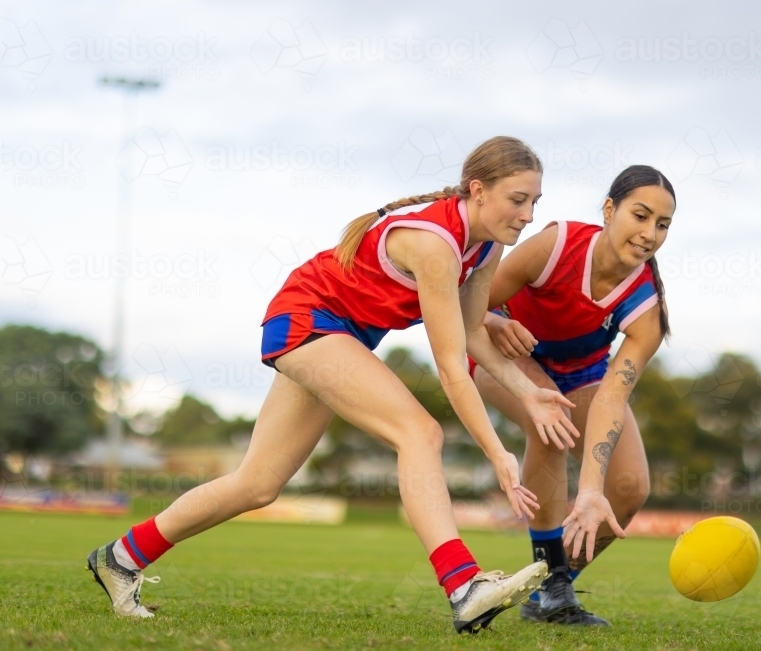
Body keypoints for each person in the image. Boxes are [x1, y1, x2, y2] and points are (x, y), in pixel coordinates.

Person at [86, 136, 582, 634]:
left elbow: (472, 330)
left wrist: (526, 391)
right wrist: (498, 452)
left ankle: (121, 557)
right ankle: (463, 585)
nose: (528, 214)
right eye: (518, 200)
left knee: (257, 485)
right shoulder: (436, 245)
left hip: (337, 335)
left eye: (535, 202)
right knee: (420, 433)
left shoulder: (487, 245)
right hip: (310, 320)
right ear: (478, 190)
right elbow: (451, 368)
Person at [471, 165, 676, 626]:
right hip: (501, 353)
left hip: (581, 375)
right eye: (640, 216)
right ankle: (556, 586)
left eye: (662, 225)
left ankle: (547, 587)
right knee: (550, 424)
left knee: (628, 488)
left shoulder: (646, 311)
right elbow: (471, 303)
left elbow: (610, 397)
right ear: (609, 209)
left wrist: (590, 492)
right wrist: (499, 323)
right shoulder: (556, 244)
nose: (649, 233)